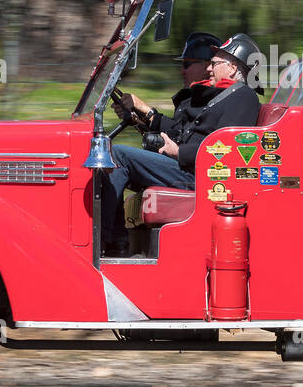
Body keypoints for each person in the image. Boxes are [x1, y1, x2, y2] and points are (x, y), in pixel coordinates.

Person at [101, 32, 262, 255]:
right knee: (116, 156)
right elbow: (185, 131)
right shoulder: (226, 95)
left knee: (117, 155)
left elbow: (228, 150)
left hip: (200, 175)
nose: (209, 69)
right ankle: (115, 242)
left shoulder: (243, 98)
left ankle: (109, 243)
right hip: (189, 167)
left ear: (233, 68)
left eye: (214, 64)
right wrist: (145, 117)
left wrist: (178, 151)